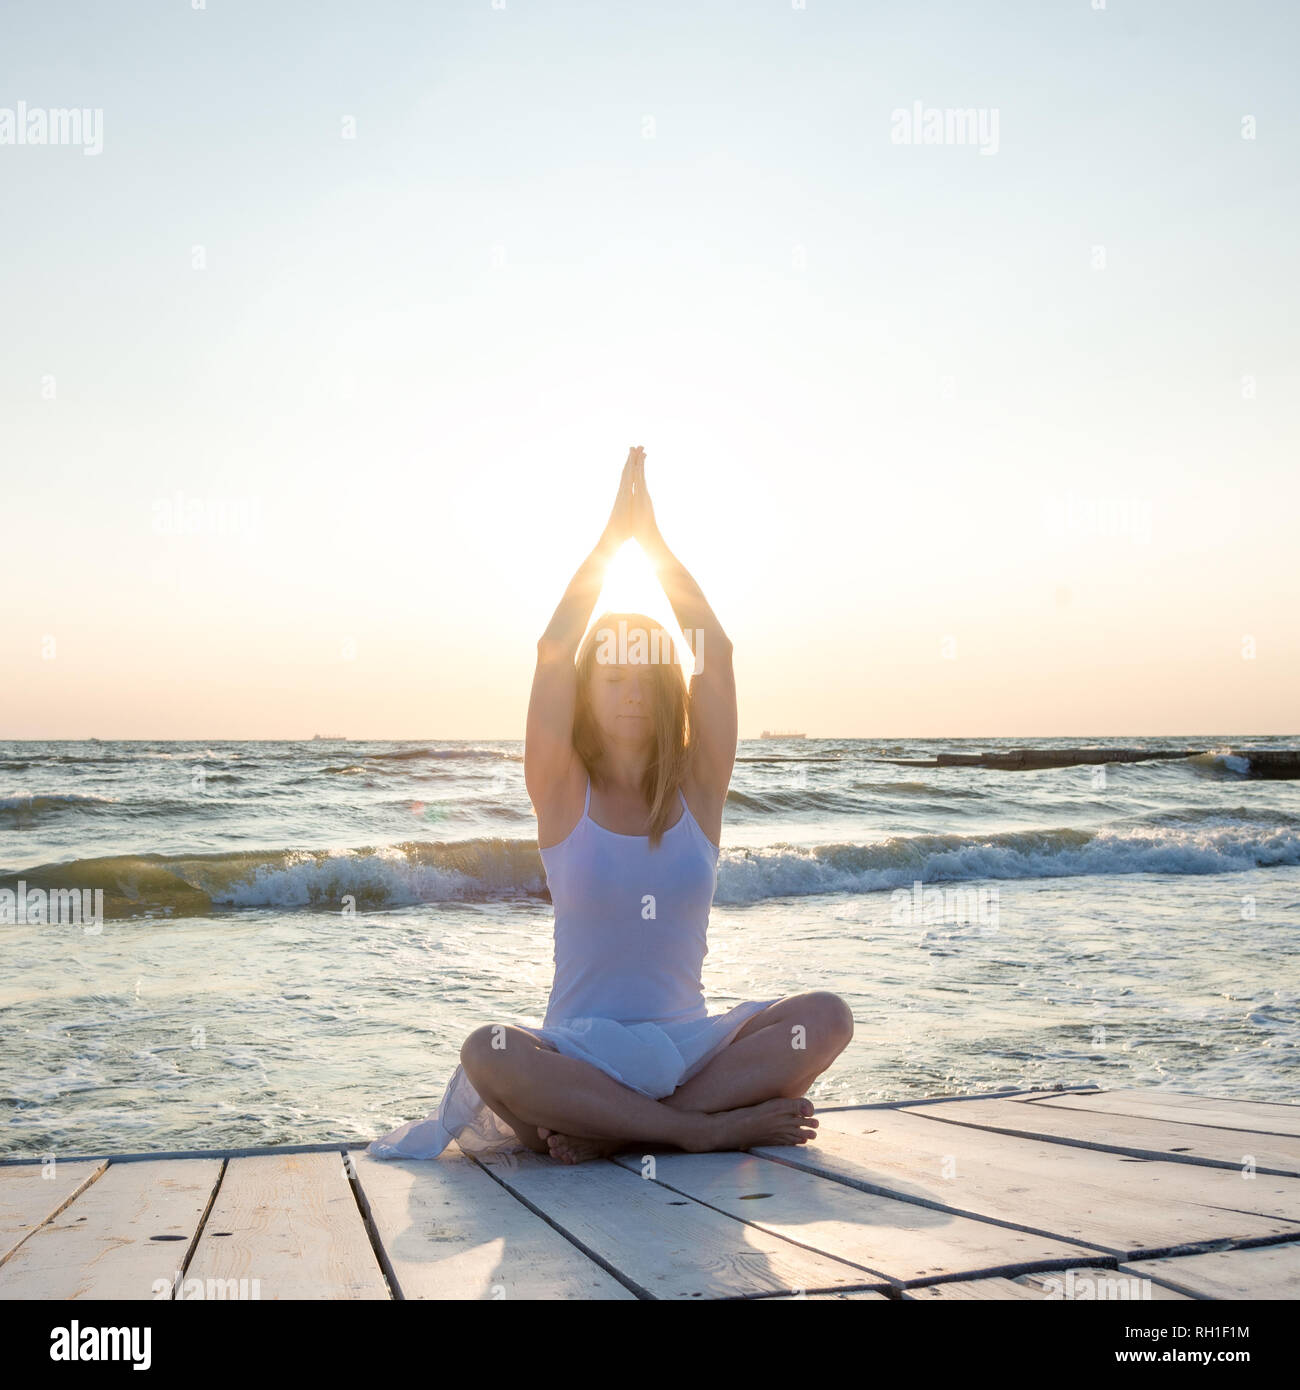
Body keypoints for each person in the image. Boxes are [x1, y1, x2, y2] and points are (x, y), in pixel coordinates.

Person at [369, 446, 853, 1164]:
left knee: (826, 1017)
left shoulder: (698, 790)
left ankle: (619, 1130)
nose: (630, 694)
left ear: (666, 693)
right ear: (589, 690)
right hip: (576, 1054)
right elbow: (551, 649)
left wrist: (651, 544)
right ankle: (698, 1129)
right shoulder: (562, 790)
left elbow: (714, 651)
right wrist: (608, 544)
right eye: (613, 677)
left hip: (687, 1048)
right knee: (488, 1050)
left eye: (646, 677)